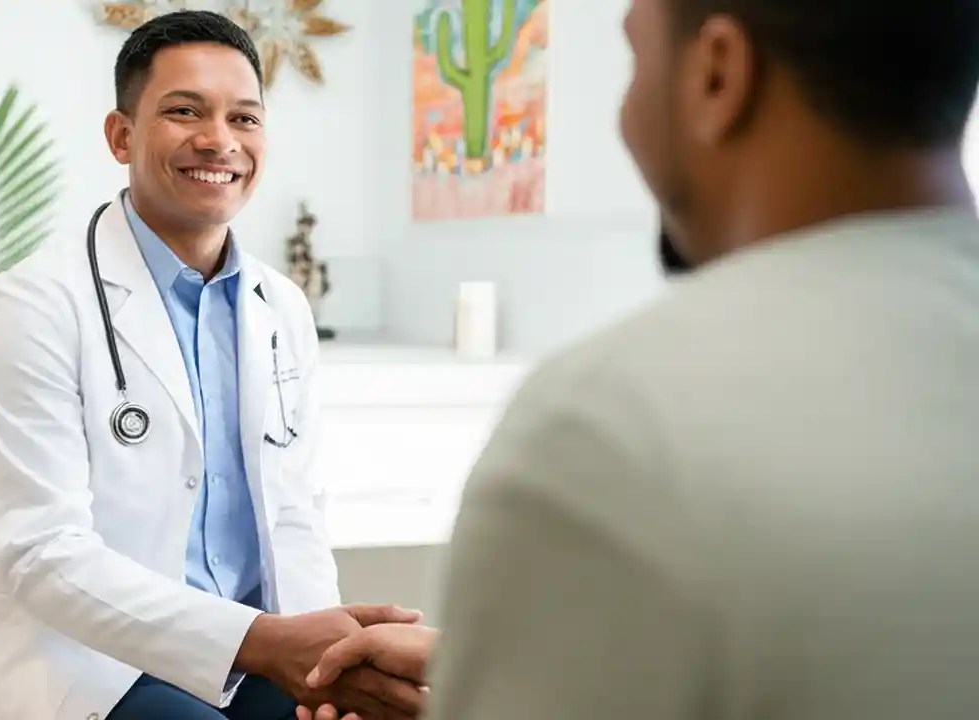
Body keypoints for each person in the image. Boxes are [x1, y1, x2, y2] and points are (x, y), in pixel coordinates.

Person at [300, 0, 979, 717]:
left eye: (634, 59)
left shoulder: (607, 427)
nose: (624, 116)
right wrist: (497, 664)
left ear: (718, 74)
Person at [0, 10, 425, 720]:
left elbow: (296, 515)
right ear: (121, 135)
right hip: (86, 662)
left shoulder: (281, 307)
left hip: (252, 649)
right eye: (185, 111)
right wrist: (262, 642)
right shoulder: (38, 305)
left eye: (244, 118)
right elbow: (43, 554)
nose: (220, 140)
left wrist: (327, 660)